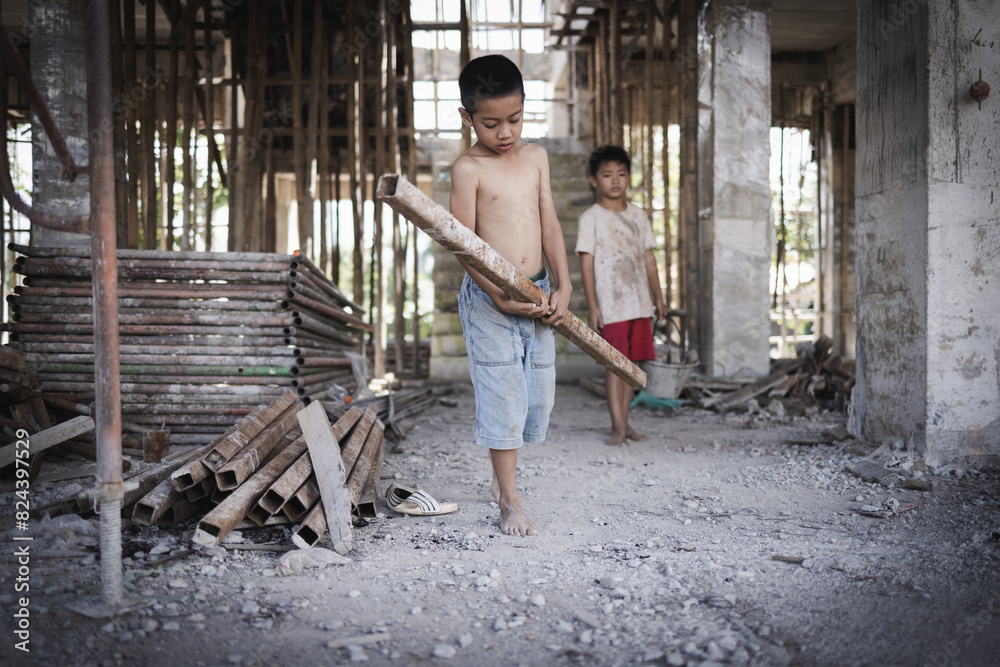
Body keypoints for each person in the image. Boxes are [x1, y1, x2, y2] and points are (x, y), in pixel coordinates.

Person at [449, 54, 572, 537]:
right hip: (490, 299)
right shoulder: (467, 168)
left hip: (538, 293)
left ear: (525, 107)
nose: (505, 133)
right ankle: (510, 499)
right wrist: (496, 296)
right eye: (491, 123)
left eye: (515, 119)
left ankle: (504, 483)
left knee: (535, 398)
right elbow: (463, 244)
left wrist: (563, 286)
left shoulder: (535, 156)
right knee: (503, 396)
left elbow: (550, 223)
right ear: (467, 117)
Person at [576, 145, 668, 447]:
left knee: (633, 368)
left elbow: (649, 259)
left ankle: (625, 423)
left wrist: (658, 297)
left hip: (639, 303)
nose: (615, 180)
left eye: (621, 173)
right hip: (611, 305)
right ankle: (616, 426)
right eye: (606, 175)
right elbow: (586, 263)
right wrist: (592, 306)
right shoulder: (591, 218)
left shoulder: (638, 216)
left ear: (629, 177)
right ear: (594, 180)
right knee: (616, 367)